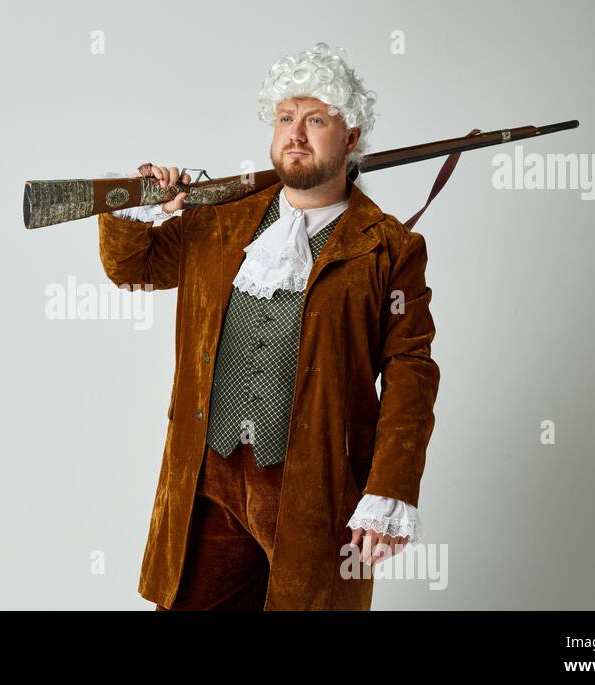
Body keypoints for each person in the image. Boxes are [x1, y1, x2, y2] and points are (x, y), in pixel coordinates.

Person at [98, 42, 439, 610]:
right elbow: (134, 270)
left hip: (316, 493)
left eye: (316, 119)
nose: (296, 134)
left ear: (351, 138)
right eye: (286, 118)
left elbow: (410, 372)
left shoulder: (388, 247)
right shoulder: (218, 222)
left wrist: (389, 488)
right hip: (207, 484)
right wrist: (134, 203)